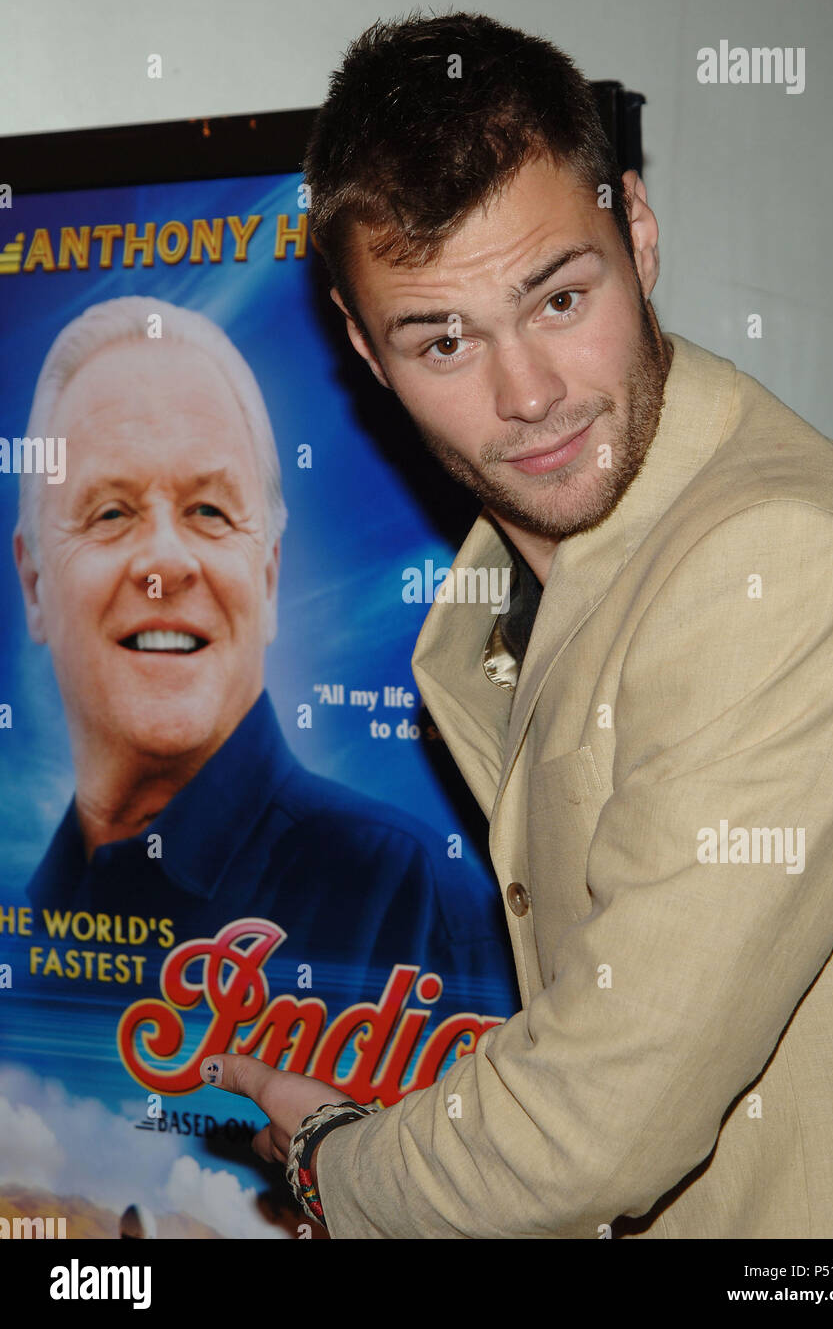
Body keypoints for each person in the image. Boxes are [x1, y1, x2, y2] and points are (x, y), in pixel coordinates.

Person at [203, 11, 833, 1239]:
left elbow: (599, 1130)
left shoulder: (777, 566)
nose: (526, 393)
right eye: (442, 338)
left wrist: (335, 1165)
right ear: (368, 352)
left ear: (637, 232)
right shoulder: (507, 588)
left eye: (558, 297)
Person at [15, 295, 516, 1011]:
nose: (165, 562)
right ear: (34, 583)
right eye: (111, 513)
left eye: (209, 512)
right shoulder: (26, 921)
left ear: (270, 577)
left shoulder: (412, 906)